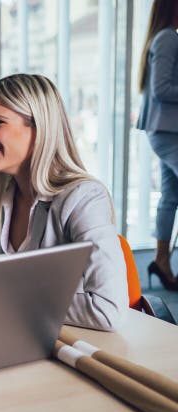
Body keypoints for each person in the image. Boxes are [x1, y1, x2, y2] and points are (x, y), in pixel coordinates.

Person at [0, 73, 128, 412]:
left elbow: (107, 307)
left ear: (36, 127)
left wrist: (11, 301)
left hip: (79, 358)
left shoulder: (82, 196)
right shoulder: (3, 197)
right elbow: (0, 289)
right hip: (29, 350)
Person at [136, 0, 178, 290]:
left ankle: (161, 260)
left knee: (169, 197)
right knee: (169, 197)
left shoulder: (163, 36)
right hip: (167, 131)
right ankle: (161, 260)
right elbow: (162, 88)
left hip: (165, 130)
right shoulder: (168, 38)